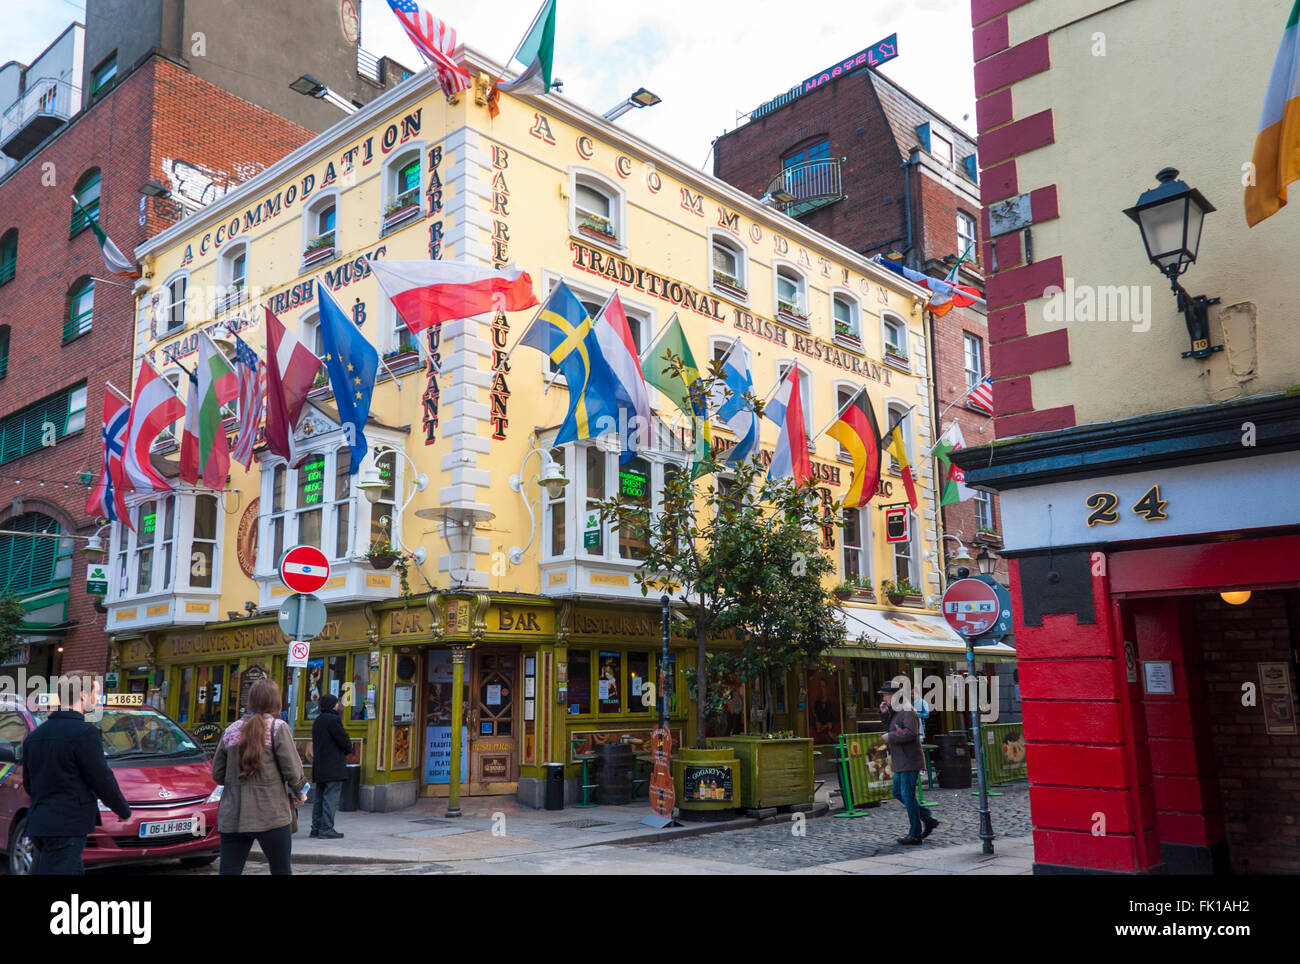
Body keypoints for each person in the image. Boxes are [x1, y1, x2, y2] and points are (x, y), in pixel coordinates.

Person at [21, 677, 131, 874]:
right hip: (67, 825)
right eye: (96, 693)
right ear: (82, 695)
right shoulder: (85, 733)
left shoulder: (34, 737)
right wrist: (123, 810)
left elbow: (29, 783)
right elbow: (101, 779)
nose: (97, 699)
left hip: (40, 822)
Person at [212, 678, 308, 875]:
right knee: (281, 869)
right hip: (271, 814)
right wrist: (302, 791)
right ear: (276, 702)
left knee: (229, 871)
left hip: (234, 816)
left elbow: (218, 774)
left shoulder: (231, 730)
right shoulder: (278, 728)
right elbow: (292, 769)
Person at [878, 682, 939, 845]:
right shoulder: (897, 711)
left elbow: (911, 733)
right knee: (898, 792)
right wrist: (884, 713)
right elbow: (890, 727)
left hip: (909, 760)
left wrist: (890, 737)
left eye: (886, 695)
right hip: (900, 760)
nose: (884, 698)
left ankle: (915, 834)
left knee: (906, 794)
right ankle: (927, 817)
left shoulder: (907, 710)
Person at [310, 693, 351, 839]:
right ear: (332, 705)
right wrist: (349, 748)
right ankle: (326, 828)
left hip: (320, 765)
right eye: (336, 703)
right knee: (330, 798)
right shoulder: (333, 720)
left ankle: (316, 827)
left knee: (319, 797)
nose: (338, 705)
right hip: (332, 766)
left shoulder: (318, 720)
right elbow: (343, 739)